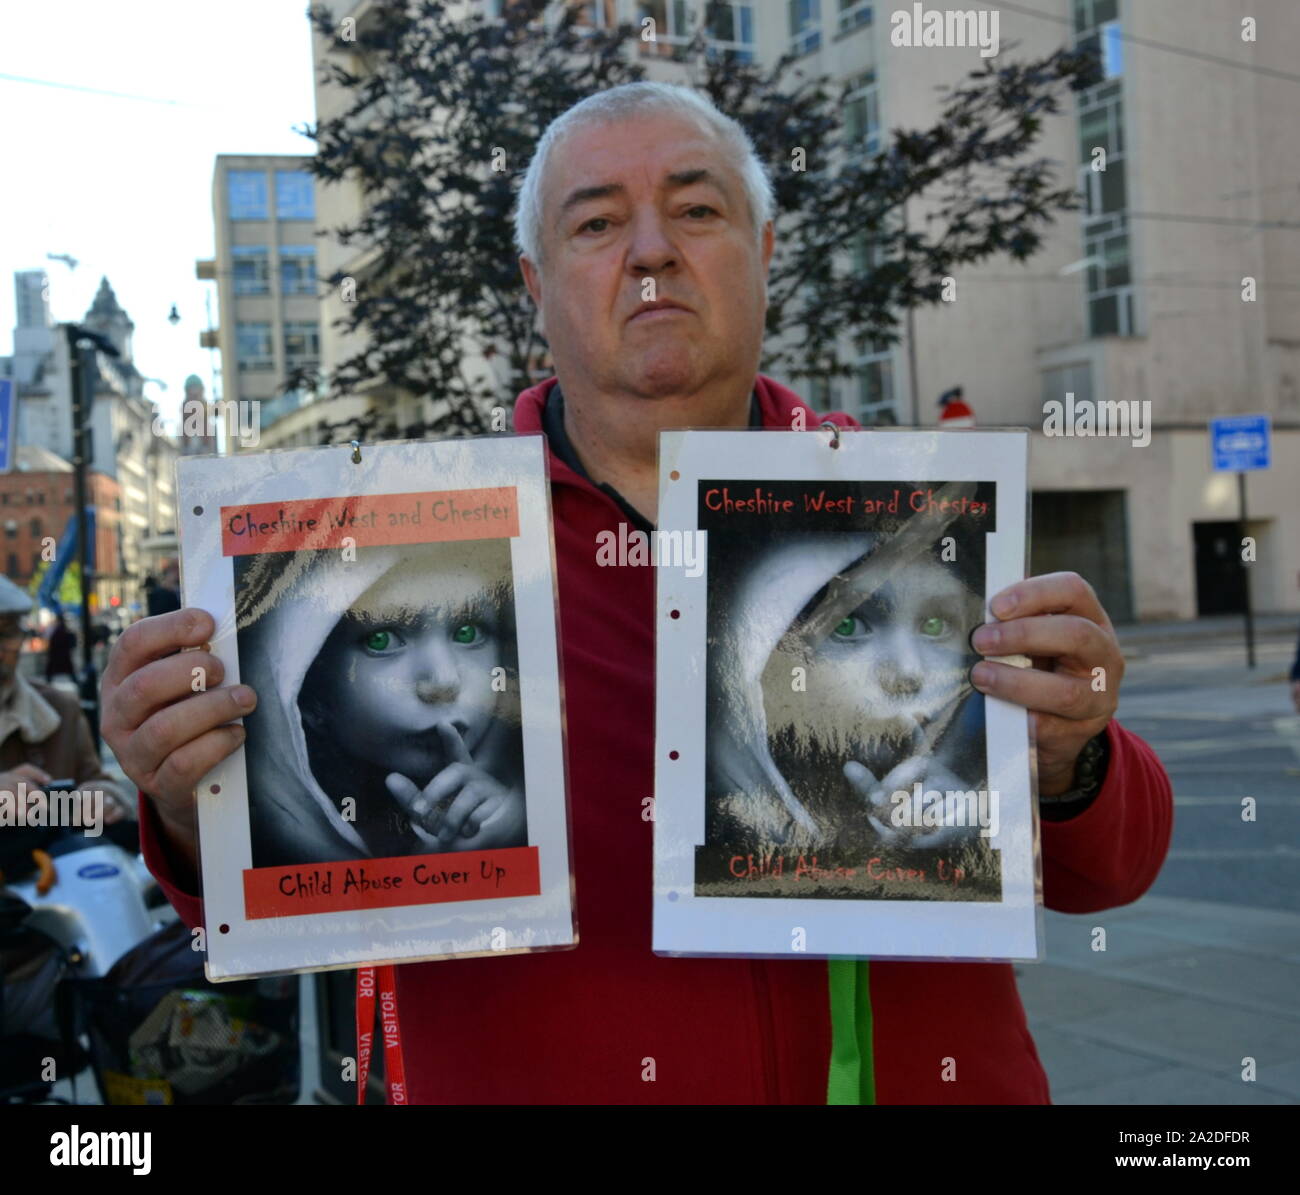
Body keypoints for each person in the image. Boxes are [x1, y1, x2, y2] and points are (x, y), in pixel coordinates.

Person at [101, 81, 1173, 1104]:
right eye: (597, 224)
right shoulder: (407, 562)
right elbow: (255, 894)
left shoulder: (918, 533)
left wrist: (1069, 759)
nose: (652, 250)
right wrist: (195, 798)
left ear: (762, 252)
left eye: (696, 209)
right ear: (536, 285)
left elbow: (1110, 868)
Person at [233, 539, 524, 867]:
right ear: (307, 688)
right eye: (382, 639)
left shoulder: (537, 808)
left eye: (468, 633)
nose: (443, 682)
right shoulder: (242, 844)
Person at [0, 577, 134, 881]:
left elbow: (95, 780)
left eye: (6, 633)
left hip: (59, 897)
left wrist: (105, 798)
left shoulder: (59, 709)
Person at [43, 612, 76, 685]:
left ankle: (48, 681)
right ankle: (76, 682)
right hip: (63, 654)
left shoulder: (58, 630)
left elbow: (53, 642)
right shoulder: (63, 629)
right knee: (69, 670)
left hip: (58, 654)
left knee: (51, 669)